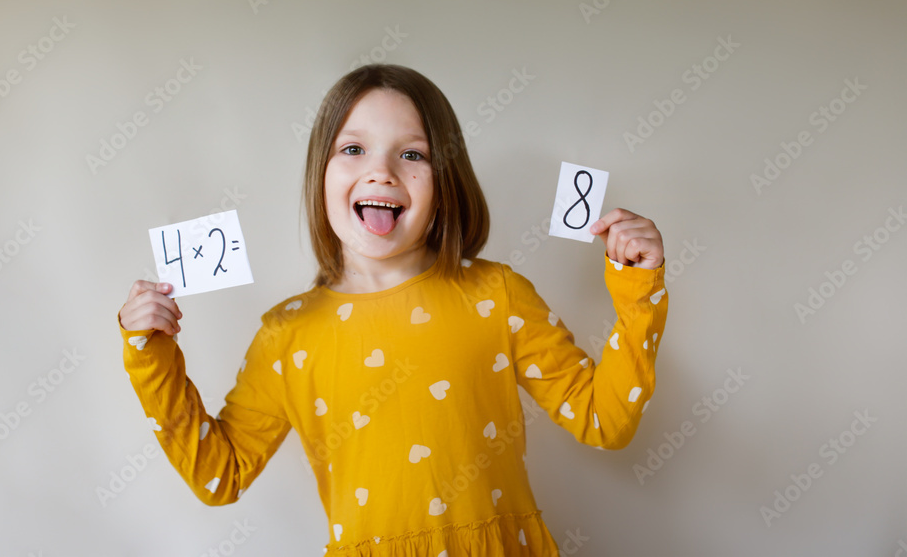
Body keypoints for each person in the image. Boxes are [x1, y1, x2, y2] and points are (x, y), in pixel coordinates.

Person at [118, 64, 669, 556]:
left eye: (412, 154)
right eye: (353, 149)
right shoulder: (287, 332)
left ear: (444, 181)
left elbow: (605, 422)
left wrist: (638, 289)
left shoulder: (496, 295)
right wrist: (150, 354)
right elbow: (220, 476)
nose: (382, 172)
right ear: (321, 174)